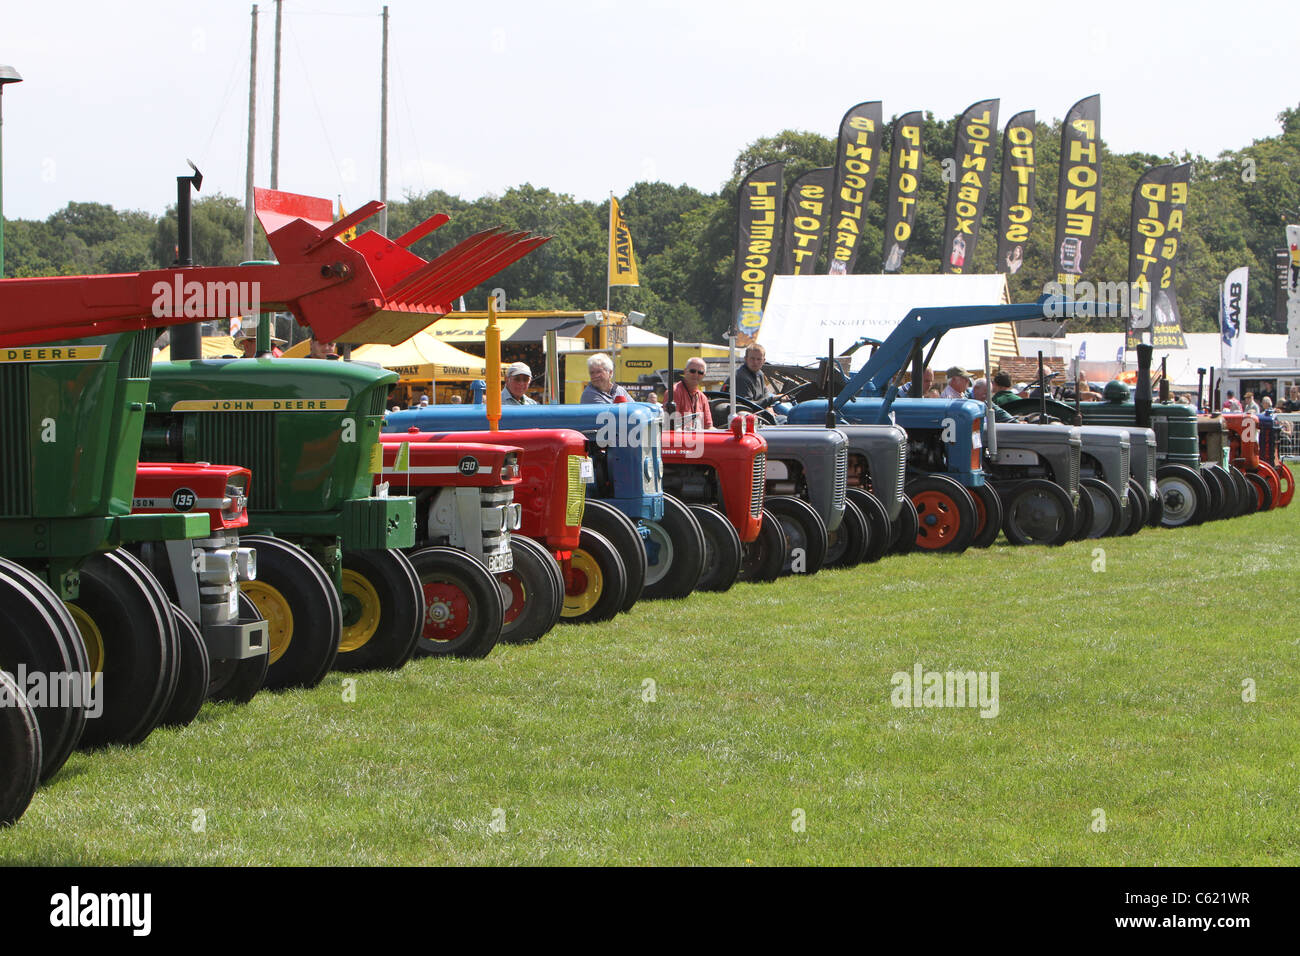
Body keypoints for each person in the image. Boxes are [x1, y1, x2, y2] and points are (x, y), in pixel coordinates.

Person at [734, 344, 786, 408]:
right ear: (746, 359)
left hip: (759, 410)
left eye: (759, 359)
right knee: (783, 418)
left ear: (763, 361)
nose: (755, 362)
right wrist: (774, 399)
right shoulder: (741, 377)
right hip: (747, 414)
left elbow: (765, 394)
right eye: (752, 358)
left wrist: (769, 407)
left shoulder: (760, 374)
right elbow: (747, 405)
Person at [671, 357, 713, 430]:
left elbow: (708, 427)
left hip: (699, 439)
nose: (696, 375)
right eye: (692, 371)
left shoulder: (703, 398)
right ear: (685, 371)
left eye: (700, 372)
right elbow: (672, 426)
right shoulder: (674, 392)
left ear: (704, 375)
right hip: (680, 440)